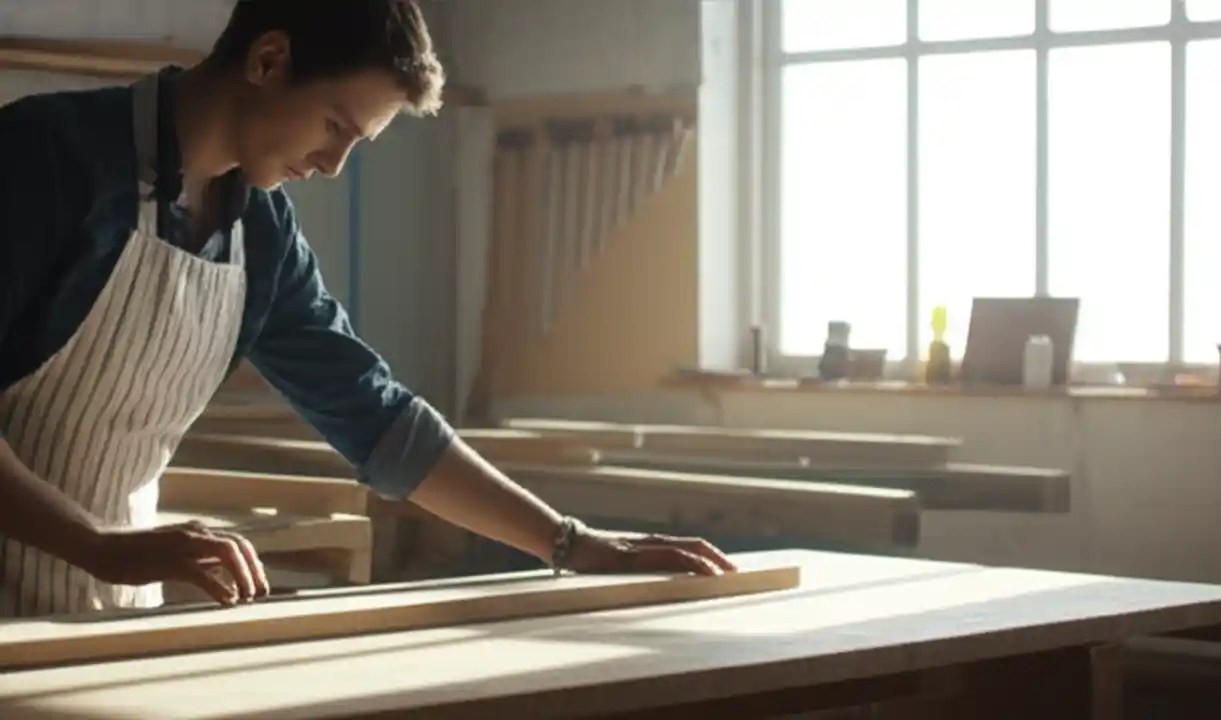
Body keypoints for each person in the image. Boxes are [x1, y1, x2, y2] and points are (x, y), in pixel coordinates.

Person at [0, 0, 735, 618]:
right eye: (334, 127)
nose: (332, 166)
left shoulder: (261, 231)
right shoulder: (44, 159)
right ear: (267, 60)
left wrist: (571, 542)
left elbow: (379, 420)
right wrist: (98, 546)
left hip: (104, 620)